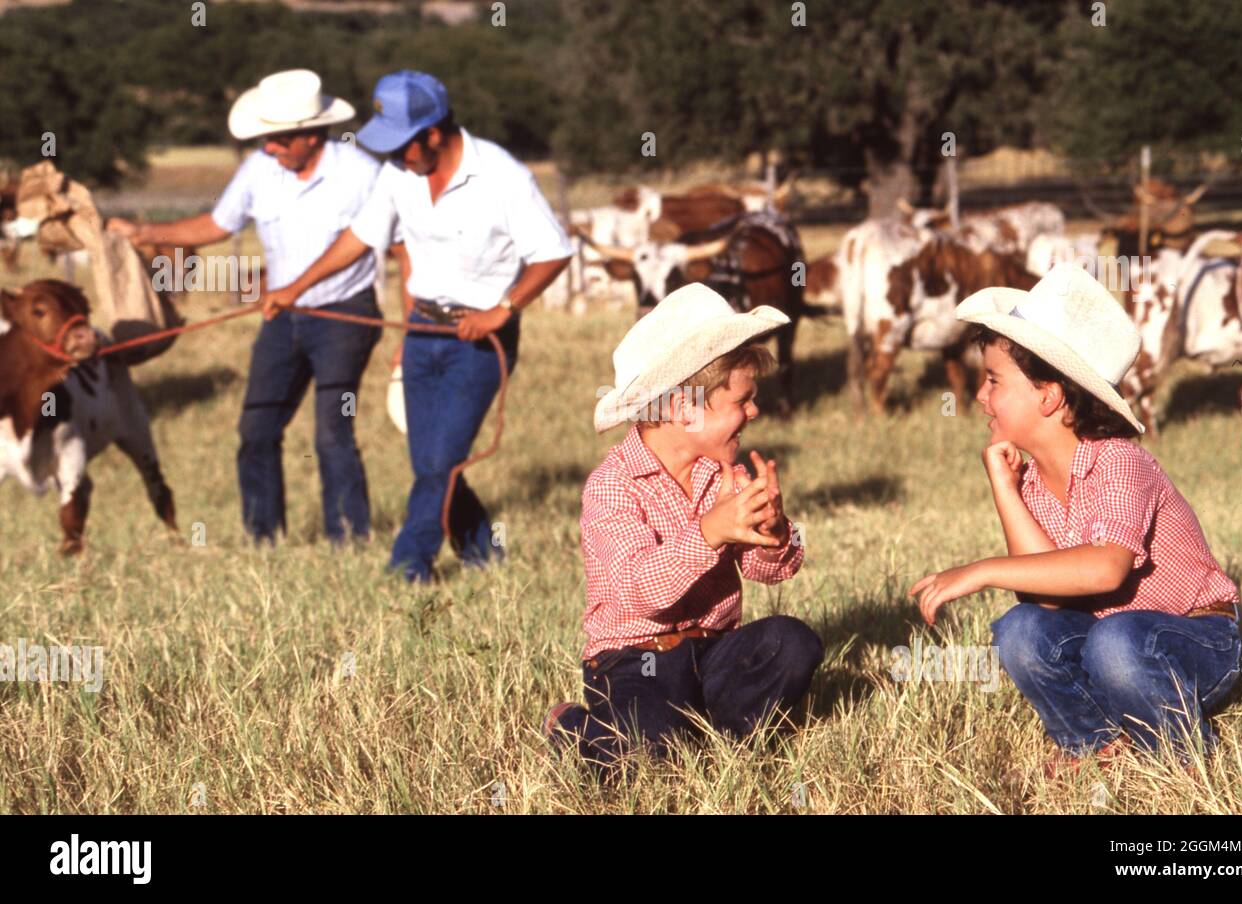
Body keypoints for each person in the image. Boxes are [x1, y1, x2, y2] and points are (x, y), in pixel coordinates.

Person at [909, 264, 1242, 769]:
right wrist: (1005, 489)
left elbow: (1104, 569)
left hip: (1190, 646)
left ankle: (1184, 754)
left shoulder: (1119, 462)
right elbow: (1045, 595)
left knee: (1116, 640)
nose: (979, 396)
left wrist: (981, 571)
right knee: (1020, 628)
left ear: (1049, 394)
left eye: (994, 380)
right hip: (1110, 653)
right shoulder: (1030, 480)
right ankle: (1094, 743)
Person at [260, 70, 572, 582]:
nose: (392, 157)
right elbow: (360, 237)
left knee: (440, 460)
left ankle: (409, 565)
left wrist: (503, 308)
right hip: (422, 330)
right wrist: (295, 288)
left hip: (481, 341)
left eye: (401, 145)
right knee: (432, 460)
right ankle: (483, 554)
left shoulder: (502, 175)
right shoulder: (398, 174)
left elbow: (553, 252)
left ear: (433, 134)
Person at [544, 283, 824, 776]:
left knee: (793, 642)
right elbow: (644, 592)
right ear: (682, 408)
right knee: (647, 752)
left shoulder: (724, 475)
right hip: (633, 661)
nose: (754, 412)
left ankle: (715, 739)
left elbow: (770, 572)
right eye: (743, 400)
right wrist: (711, 531)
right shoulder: (614, 486)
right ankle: (573, 726)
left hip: (714, 649)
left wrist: (775, 533)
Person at [107, 69, 384, 546]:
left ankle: (350, 540)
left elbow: (373, 243)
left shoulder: (361, 173)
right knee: (257, 426)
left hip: (345, 315)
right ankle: (263, 538)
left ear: (309, 135)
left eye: (276, 139)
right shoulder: (259, 169)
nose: (268, 148)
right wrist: (146, 234)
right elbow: (218, 224)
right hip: (283, 317)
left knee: (331, 433)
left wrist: (296, 287)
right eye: (265, 139)